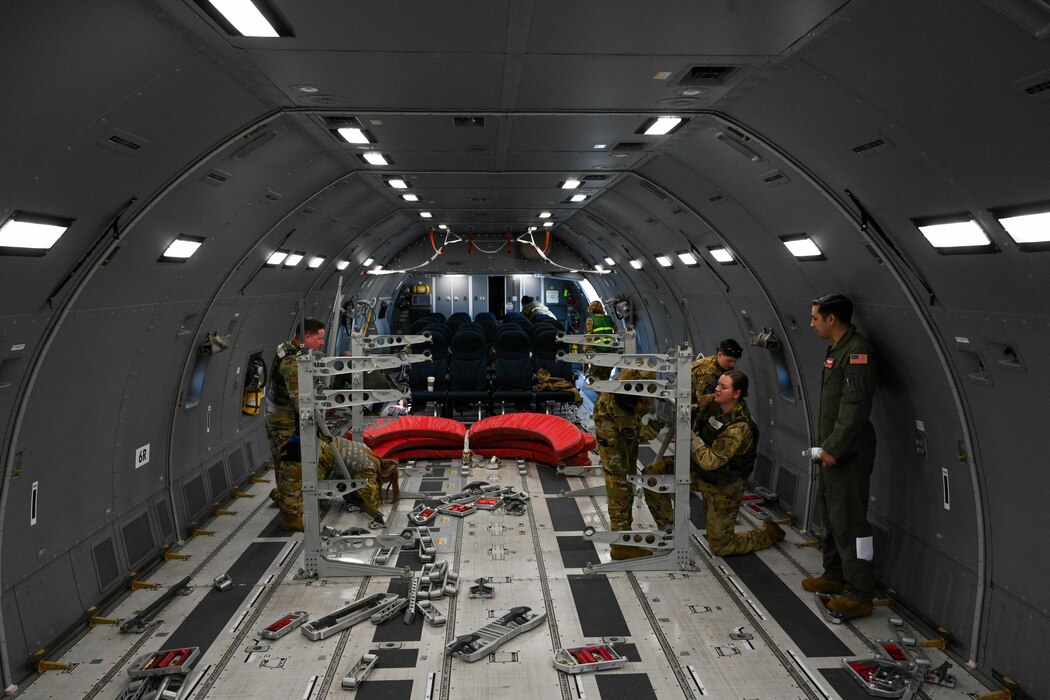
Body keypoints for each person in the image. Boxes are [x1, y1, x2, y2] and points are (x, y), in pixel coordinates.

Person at [644, 371, 785, 556]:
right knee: (652, 477)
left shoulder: (739, 427)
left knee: (721, 547)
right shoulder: (712, 402)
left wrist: (689, 434)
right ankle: (668, 531)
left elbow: (709, 461)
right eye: (718, 384)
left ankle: (768, 533)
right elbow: (691, 406)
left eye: (723, 387)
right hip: (696, 471)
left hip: (724, 484)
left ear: (737, 394)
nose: (717, 389)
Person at [802, 293, 878, 618]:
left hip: (847, 451)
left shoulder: (857, 351)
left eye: (815, 317)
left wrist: (833, 447)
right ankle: (834, 575)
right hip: (831, 448)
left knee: (851, 521)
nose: (811, 323)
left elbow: (855, 408)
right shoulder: (836, 349)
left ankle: (860, 594)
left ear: (831, 319)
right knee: (832, 514)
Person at [592, 369, 666, 559]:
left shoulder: (635, 378)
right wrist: (655, 426)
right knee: (619, 486)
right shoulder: (623, 414)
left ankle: (625, 534)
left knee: (625, 482)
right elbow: (641, 434)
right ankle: (620, 546)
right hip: (612, 440)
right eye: (646, 401)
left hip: (613, 425)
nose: (649, 404)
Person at [265, 318, 330, 531]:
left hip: (276, 418)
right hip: (285, 424)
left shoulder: (287, 351)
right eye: (319, 338)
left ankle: (286, 499)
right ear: (306, 338)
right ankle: (292, 517)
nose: (321, 342)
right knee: (293, 469)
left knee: (283, 467)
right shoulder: (292, 363)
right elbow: (301, 401)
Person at [690, 338, 743, 403]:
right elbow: (704, 403)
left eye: (734, 362)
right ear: (720, 355)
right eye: (729, 361)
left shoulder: (723, 366)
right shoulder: (708, 372)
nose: (732, 365)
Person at [584, 300, 617, 380]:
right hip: (610, 350)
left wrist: (586, 349)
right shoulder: (609, 319)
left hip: (598, 350)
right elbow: (616, 330)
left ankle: (598, 390)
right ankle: (604, 391)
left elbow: (588, 336)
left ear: (591, 308)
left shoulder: (590, 320)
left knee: (596, 374)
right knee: (606, 374)